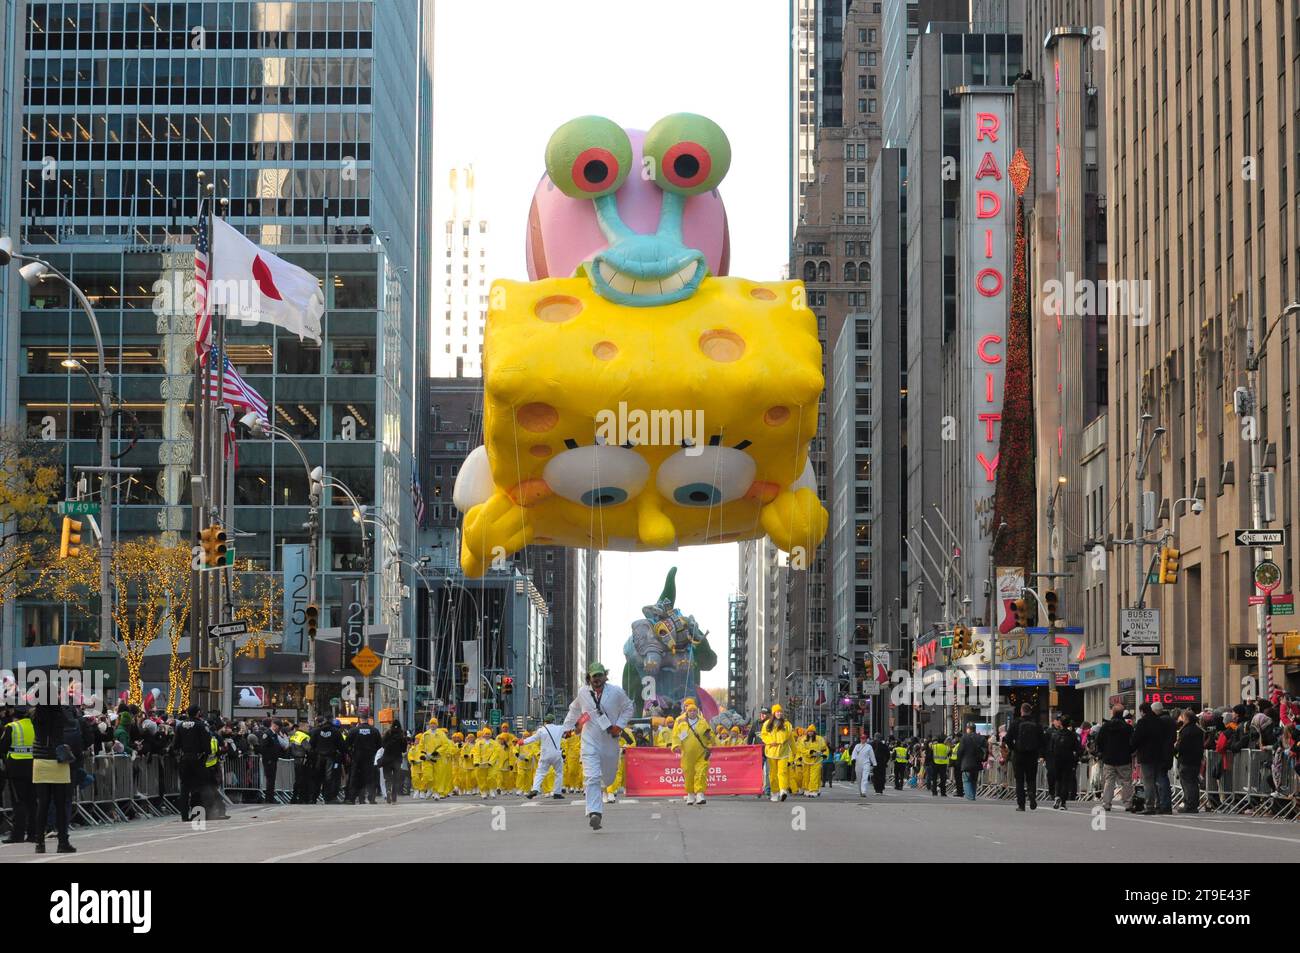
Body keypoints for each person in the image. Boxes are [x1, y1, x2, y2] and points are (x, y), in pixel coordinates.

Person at [561, 661, 634, 830]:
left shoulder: (616, 692)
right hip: (589, 742)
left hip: (609, 742)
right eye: (594, 676)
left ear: (605, 676)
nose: (597, 679)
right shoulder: (583, 693)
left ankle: (598, 797)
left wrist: (620, 725)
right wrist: (567, 728)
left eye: (600, 675)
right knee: (591, 776)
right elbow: (574, 710)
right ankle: (595, 812)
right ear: (589, 678)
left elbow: (628, 708)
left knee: (608, 778)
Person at [31, 696, 81, 854]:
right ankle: (63, 842)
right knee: (61, 804)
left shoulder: (35, 715)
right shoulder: (60, 713)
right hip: (57, 760)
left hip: (40, 761)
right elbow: (70, 727)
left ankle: (39, 842)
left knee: (43, 804)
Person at [1, 706, 37, 845]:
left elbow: (2, 746)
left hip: (16, 767)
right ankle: (34, 833)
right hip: (33, 765)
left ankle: (18, 834)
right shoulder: (34, 726)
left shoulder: (12, 726)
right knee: (33, 801)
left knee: (19, 802)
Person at [1130, 702, 1172, 815]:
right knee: (1160, 780)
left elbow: (1136, 739)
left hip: (1146, 756)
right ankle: (1161, 805)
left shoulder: (1142, 722)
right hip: (1159, 755)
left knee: (1148, 782)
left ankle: (1149, 806)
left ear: (1142, 711)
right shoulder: (1160, 721)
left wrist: (1132, 748)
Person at [672, 698, 716, 805]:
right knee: (689, 774)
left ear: (697, 711)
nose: (692, 712)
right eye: (689, 709)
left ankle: (700, 794)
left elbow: (710, 735)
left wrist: (711, 741)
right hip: (687, 754)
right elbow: (675, 735)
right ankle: (690, 794)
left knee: (701, 772)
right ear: (686, 709)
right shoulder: (680, 721)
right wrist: (676, 746)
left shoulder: (702, 721)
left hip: (701, 753)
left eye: (694, 710)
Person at [173, 705, 212, 822]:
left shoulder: (180, 726)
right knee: (198, 787)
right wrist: (206, 754)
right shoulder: (201, 725)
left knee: (184, 788)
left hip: (185, 759)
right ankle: (197, 814)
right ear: (198, 713)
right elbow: (207, 743)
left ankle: (184, 816)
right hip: (197, 759)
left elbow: (175, 745)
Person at [1095, 702, 1135, 811]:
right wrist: (1130, 752)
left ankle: (1106, 803)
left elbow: (1099, 741)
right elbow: (1133, 742)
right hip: (1124, 759)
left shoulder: (1105, 727)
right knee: (1126, 781)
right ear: (1122, 714)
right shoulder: (1127, 728)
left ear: (1113, 712)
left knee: (1109, 781)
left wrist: (1102, 753)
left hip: (1108, 759)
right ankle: (1128, 803)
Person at [1005, 703, 1044, 811]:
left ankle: (1021, 805)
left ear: (1021, 711)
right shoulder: (1036, 723)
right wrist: (1038, 751)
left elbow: (1007, 738)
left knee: (1019, 780)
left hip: (1019, 755)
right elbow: (1042, 740)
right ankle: (1031, 794)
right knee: (1031, 778)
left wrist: (1014, 748)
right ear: (1030, 711)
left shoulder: (1016, 723)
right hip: (1032, 755)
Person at [521, 715, 566, 800]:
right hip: (556, 754)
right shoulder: (560, 728)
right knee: (559, 773)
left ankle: (535, 789)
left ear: (545, 721)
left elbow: (533, 739)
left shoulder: (541, 730)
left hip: (545, 754)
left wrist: (523, 742)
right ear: (553, 720)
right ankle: (557, 793)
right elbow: (569, 727)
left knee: (540, 773)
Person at [759, 704, 794, 802]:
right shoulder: (767, 724)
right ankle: (774, 792)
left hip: (783, 752)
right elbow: (763, 735)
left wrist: (795, 752)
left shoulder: (787, 724)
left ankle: (783, 790)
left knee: (782, 772)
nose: (779, 713)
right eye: (777, 712)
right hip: (771, 752)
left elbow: (791, 739)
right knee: (773, 774)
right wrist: (770, 741)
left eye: (780, 712)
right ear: (774, 713)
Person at [1175, 708, 1205, 813]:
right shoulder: (1199, 730)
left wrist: (1176, 748)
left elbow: (1182, 746)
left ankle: (1189, 804)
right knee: (1193, 782)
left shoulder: (1185, 731)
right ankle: (1193, 803)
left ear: (1186, 718)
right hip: (1196, 759)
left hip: (1186, 759)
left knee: (1187, 783)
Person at [1051, 716, 1080, 810]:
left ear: (1061, 723)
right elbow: (1078, 748)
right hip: (1068, 760)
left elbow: (1051, 748)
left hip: (1057, 760)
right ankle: (1063, 803)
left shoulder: (1055, 734)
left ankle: (1056, 796)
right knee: (1066, 781)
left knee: (1058, 780)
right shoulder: (1072, 735)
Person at [378, 720, 407, 803]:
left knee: (387, 778)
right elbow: (404, 749)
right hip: (397, 760)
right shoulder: (402, 736)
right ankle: (394, 796)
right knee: (396, 779)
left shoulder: (388, 734)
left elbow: (382, 745)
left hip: (387, 759)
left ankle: (388, 791)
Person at [958, 723, 988, 801]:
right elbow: (986, 750)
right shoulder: (981, 738)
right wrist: (984, 759)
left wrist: (959, 761)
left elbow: (960, 751)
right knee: (974, 780)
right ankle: (973, 795)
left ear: (968, 728)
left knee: (967, 780)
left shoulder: (964, 738)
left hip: (966, 763)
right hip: (977, 763)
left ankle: (970, 797)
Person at [288, 721, 312, 803]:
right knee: (303, 780)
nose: (309, 728)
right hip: (303, 760)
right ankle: (302, 798)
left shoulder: (294, 734)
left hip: (295, 759)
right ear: (303, 727)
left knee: (297, 780)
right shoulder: (304, 736)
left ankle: (294, 798)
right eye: (308, 727)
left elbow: (289, 747)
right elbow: (309, 749)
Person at [802, 725, 828, 796]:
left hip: (817, 760)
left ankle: (813, 790)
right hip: (806, 760)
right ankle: (807, 789)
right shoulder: (803, 739)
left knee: (815, 775)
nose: (810, 733)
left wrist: (825, 754)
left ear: (814, 732)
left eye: (811, 731)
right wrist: (809, 752)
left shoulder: (819, 739)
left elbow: (824, 748)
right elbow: (801, 749)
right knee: (806, 776)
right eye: (809, 731)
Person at [851, 732, 877, 798]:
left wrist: (874, 763)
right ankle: (860, 791)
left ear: (866, 739)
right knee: (859, 779)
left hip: (866, 763)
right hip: (858, 763)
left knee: (865, 778)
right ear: (860, 739)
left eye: (864, 738)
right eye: (861, 738)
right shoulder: (857, 746)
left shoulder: (869, 747)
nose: (862, 739)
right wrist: (853, 759)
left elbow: (872, 756)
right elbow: (854, 753)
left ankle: (864, 791)